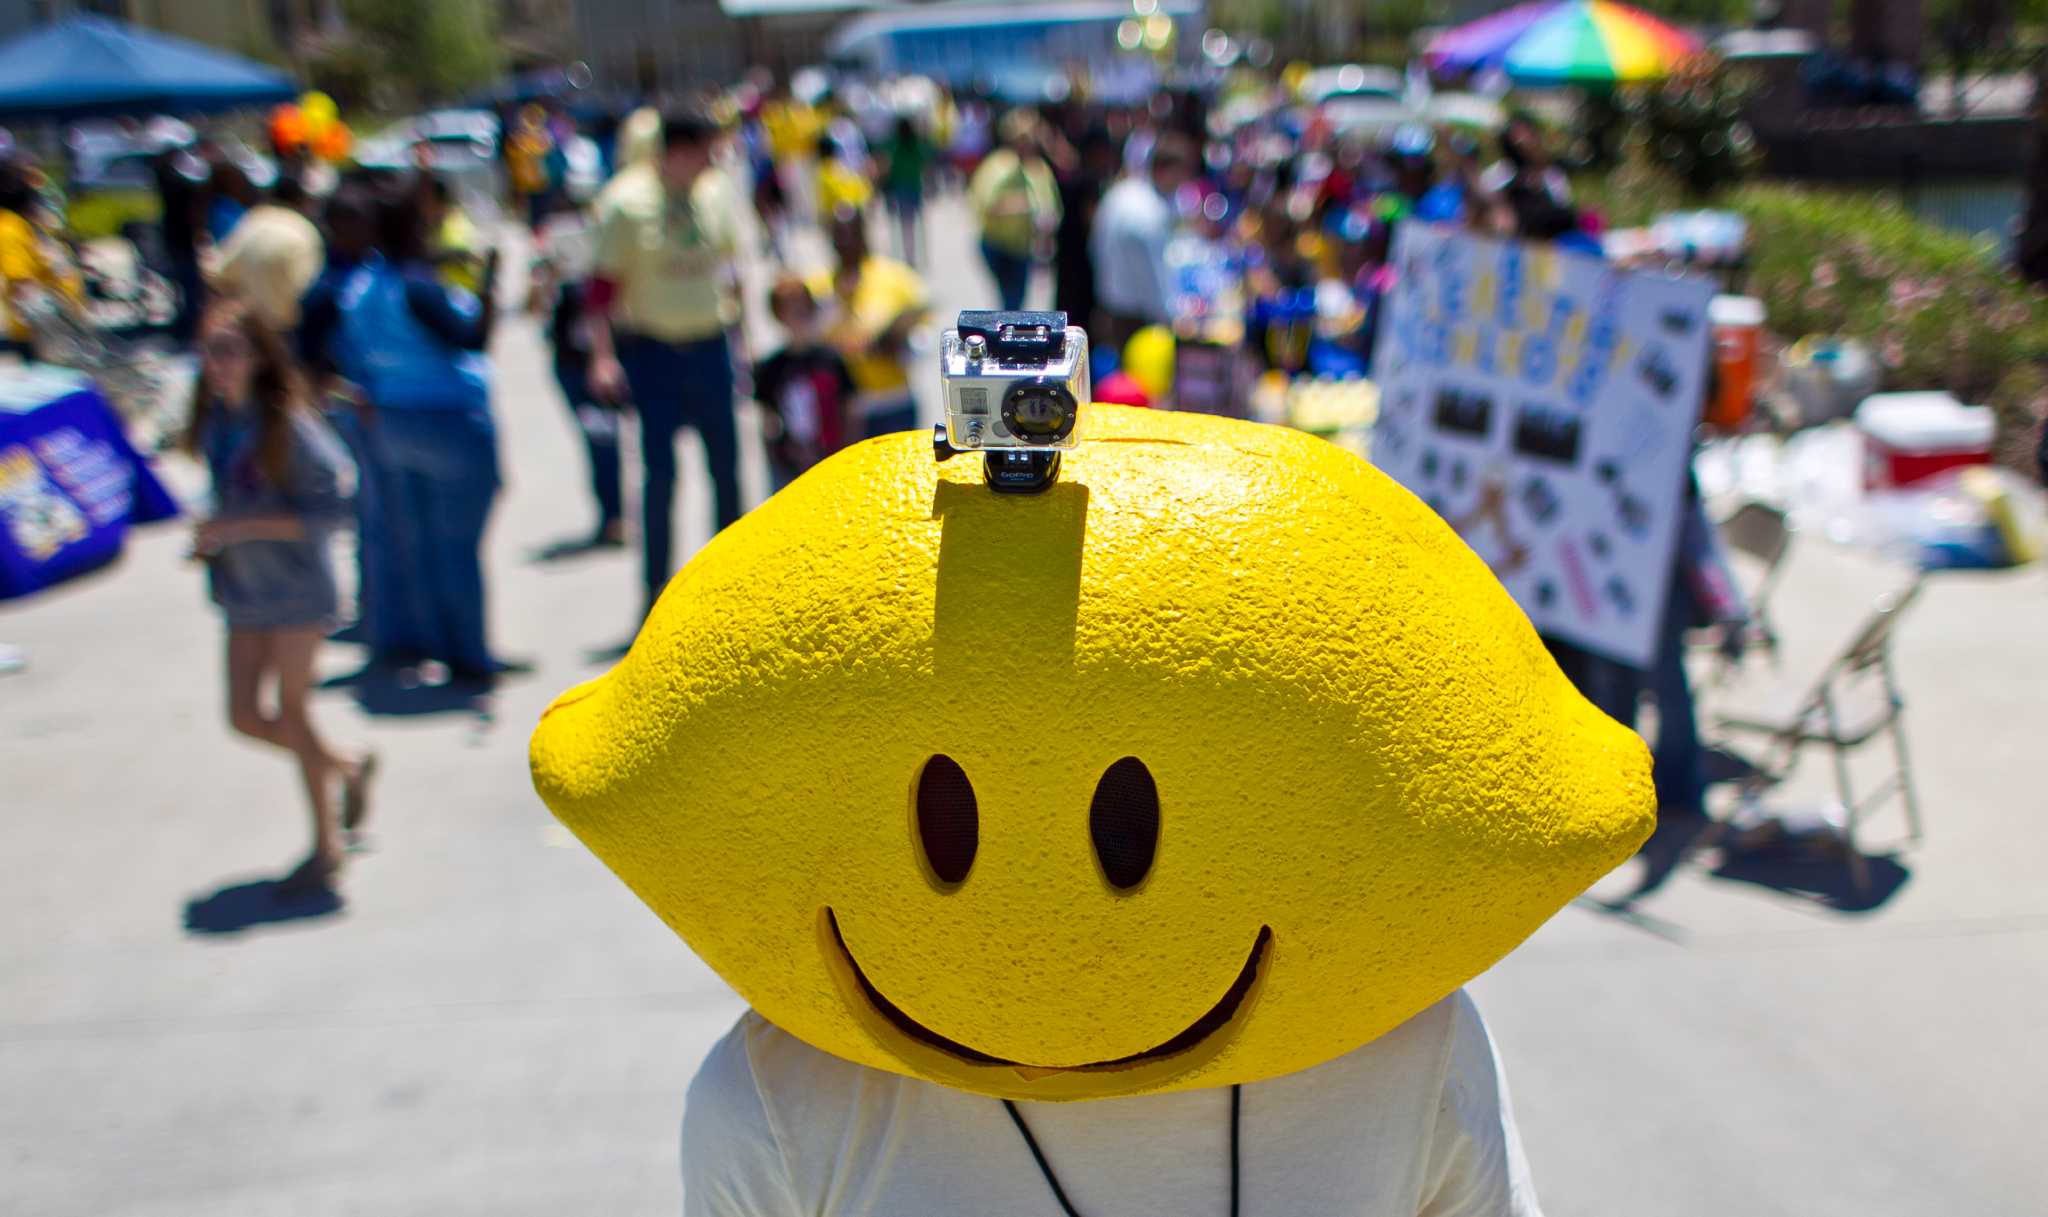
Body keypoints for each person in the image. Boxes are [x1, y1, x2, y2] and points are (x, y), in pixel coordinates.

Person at [181, 298, 373, 896]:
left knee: (293, 710)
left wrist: (240, 528)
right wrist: (213, 536)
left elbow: (334, 507)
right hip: (244, 590)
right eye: (210, 351)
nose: (218, 364)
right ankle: (346, 765)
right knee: (243, 715)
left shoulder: (290, 424)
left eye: (230, 351)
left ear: (261, 356)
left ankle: (325, 849)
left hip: (296, 591)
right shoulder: (217, 424)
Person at [331, 186, 509, 683]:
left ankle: (420, 640)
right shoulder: (417, 286)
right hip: (447, 420)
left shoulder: (362, 284)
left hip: (390, 420)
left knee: (413, 540)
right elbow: (472, 339)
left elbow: (344, 353)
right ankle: (470, 654)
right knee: (457, 546)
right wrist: (490, 287)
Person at [586, 108, 745, 618]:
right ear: (677, 152)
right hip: (654, 352)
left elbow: (730, 268)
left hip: (710, 346)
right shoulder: (625, 204)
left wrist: (742, 343)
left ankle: (735, 587)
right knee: (660, 477)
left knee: (727, 470)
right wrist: (603, 357)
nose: (712, 163)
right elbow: (601, 290)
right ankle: (655, 594)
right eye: (705, 153)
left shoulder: (714, 193)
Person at [534, 206, 623, 548]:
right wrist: (546, 279)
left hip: (599, 369)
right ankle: (609, 515)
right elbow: (536, 314)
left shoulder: (603, 277)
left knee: (606, 444)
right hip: (569, 367)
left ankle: (615, 517)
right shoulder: (559, 281)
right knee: (594, 442)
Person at [810, 210, 928, 440]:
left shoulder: (896, 278)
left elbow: (924, 338)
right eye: (839, 235)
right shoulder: (818, 286)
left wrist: (899, 347)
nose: (845, 241)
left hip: (892, 401)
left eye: (850, 234)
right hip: (844, 410)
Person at [1090, 132, 1196, 353]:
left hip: (1108, 303)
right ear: (1167, 170)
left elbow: (1094, 247)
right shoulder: (1150, 212)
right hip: (1136, 315)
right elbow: (1155, 273)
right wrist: (1169, 317)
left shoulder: (1119, 193)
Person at [752, 273, 854, 490]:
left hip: (835, 461)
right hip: (791, 468)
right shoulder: (770, 368)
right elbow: (768, 423)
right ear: (778, 315)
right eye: (789, 307)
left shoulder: (831, 360)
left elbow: (850, 410)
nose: (798, 313)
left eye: (802, 305)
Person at [967, 109, 1060, 310]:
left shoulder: (1039, 168)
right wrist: (1022, 206)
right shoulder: (996, 166)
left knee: (1015, 302)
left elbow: (1051, 205)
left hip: (1024, 247)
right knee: (1011, 302)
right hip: (998, 245)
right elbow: (986, 205)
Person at [209, 176, 324, 336]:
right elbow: (306, 290)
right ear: (302, 200)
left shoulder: (256, 218)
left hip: (246, 325)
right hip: (281, 331)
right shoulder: (306, 231)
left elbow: (220, 272)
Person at [0, 157, 82, 354]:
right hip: (41, 333)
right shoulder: (9, 227)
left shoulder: (30, 225)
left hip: (60, 327)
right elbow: (21, 283)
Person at [1053, 127, 1117, 340]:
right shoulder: (1089, 183)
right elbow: (1094, 226)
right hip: (1081, 268)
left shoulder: (1074, 179)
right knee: (1080, 328)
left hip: (1067, 262)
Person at [153, 142, 209, 345]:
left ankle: (187, 325)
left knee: (184, 287)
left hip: (175, 238)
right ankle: (191, 327)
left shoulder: (167, 176)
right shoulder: (173, 180)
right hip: (181, 239)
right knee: (190, 286)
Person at [879, 114, 931, 264]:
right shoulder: (915, 144)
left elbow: (886, 166)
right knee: (914, 225)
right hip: (914, 187)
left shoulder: (893, 145)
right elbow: (924, 163)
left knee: (901, 226)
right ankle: (912, 256)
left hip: (899, 189)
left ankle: (904, 256)